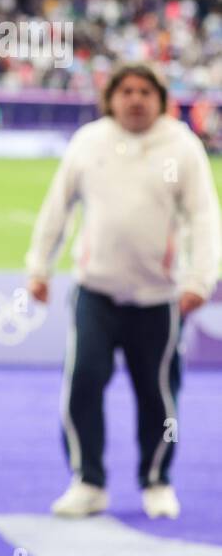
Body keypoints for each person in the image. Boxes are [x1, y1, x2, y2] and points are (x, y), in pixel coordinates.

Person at [26, 62, 221, 519]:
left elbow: (203, 217)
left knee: (158, 394)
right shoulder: (88, 141)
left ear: (161, 99)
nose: (135, 99)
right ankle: (87, 481)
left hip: (158, 299)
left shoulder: (182, 146)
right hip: (96, 292)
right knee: (83, 384)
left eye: (145, 92)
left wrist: (200, 279)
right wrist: (38, 267)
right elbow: (58, 208)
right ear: (110, 98)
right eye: (126, 91)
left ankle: (157, 480)